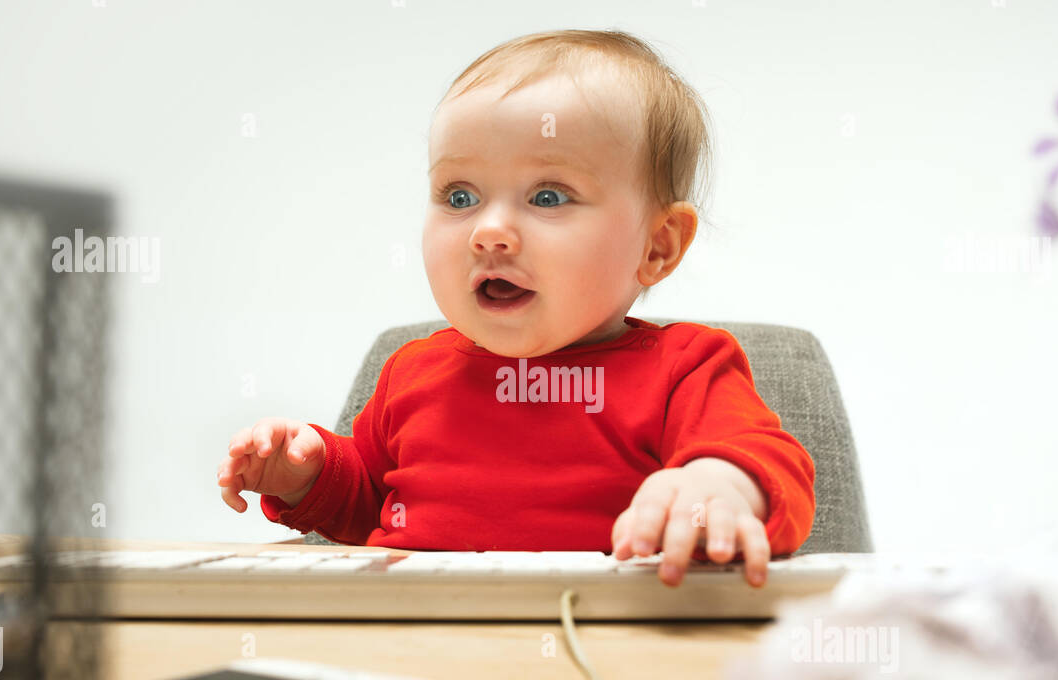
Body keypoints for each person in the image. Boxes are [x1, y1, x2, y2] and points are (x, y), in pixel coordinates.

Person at [217, 29, 815, 587]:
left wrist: (718, 485)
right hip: (416, 643)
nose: (489, 231)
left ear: (656, 246)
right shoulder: (412, 372)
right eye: (460, 196)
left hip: (602, 648)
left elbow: (771, 466)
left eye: (547, 196)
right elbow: (371, 504)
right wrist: (309, 475)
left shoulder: (685, 369)